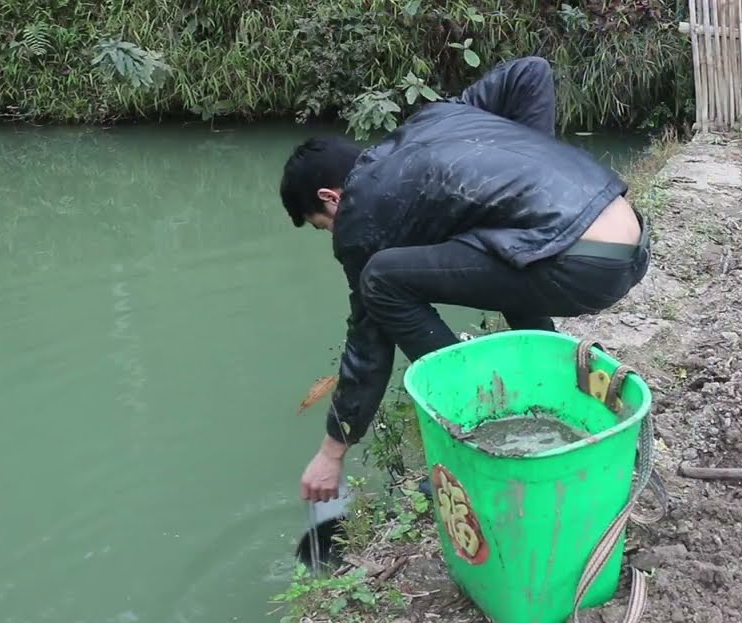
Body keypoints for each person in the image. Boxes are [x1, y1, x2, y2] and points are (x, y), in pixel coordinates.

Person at [279, 56, 651, 503]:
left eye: (325, 225)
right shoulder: (440, 118)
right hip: (630, 236)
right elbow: (529, 72)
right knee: (498, 240)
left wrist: (331, 452)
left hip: (583, 266)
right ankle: (546, 376)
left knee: (381, 280)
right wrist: (530, 170)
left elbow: (368, 342)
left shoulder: (361, 212)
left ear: (331, 198)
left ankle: (479, 429)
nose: (334, 235)